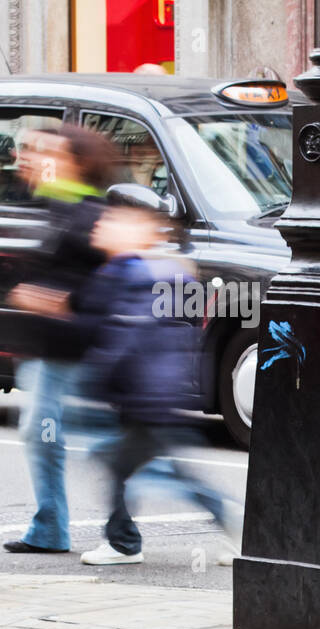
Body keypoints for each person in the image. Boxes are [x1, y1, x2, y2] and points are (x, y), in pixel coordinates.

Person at [74, 199, 239, 565]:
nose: (103, 224)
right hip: (152, 393)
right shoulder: (155, 273)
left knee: (125, 465)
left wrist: (96, 378)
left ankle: (125, 544)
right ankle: (124, 542)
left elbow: (125, 336)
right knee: (133, 465)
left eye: (116, 220)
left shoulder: (133, 275)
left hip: (146, 395)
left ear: (142, 232)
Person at [3, 124, 116, 556]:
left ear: (73, 162)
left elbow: (108, 276)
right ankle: (51, 527)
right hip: (52, 351)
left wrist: (63, 299)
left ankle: (109, 532)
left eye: (42, 152)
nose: (28, 159)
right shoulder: (57, 205)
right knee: (47, 434)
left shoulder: (84, 211)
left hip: (74, 352)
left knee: (113, 443)